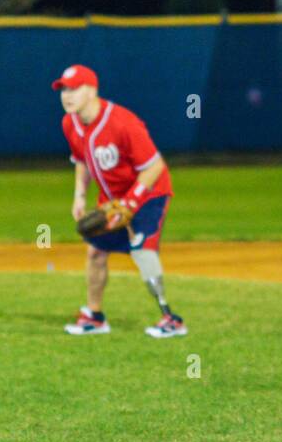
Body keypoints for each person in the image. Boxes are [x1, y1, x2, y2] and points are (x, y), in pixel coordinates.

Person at [53, 64, 186, 338]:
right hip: (113, 198)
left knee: (143, 251)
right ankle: (95, 316)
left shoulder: (123, 123)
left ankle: (171, 319)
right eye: (64, 89)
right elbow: (81, 160)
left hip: (150, 193)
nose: (67, 95)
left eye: (74, 88)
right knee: (95, 251)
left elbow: (154, 167)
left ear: (92, 91)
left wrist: (130, 204)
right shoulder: (70, 123)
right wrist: (79, 194)